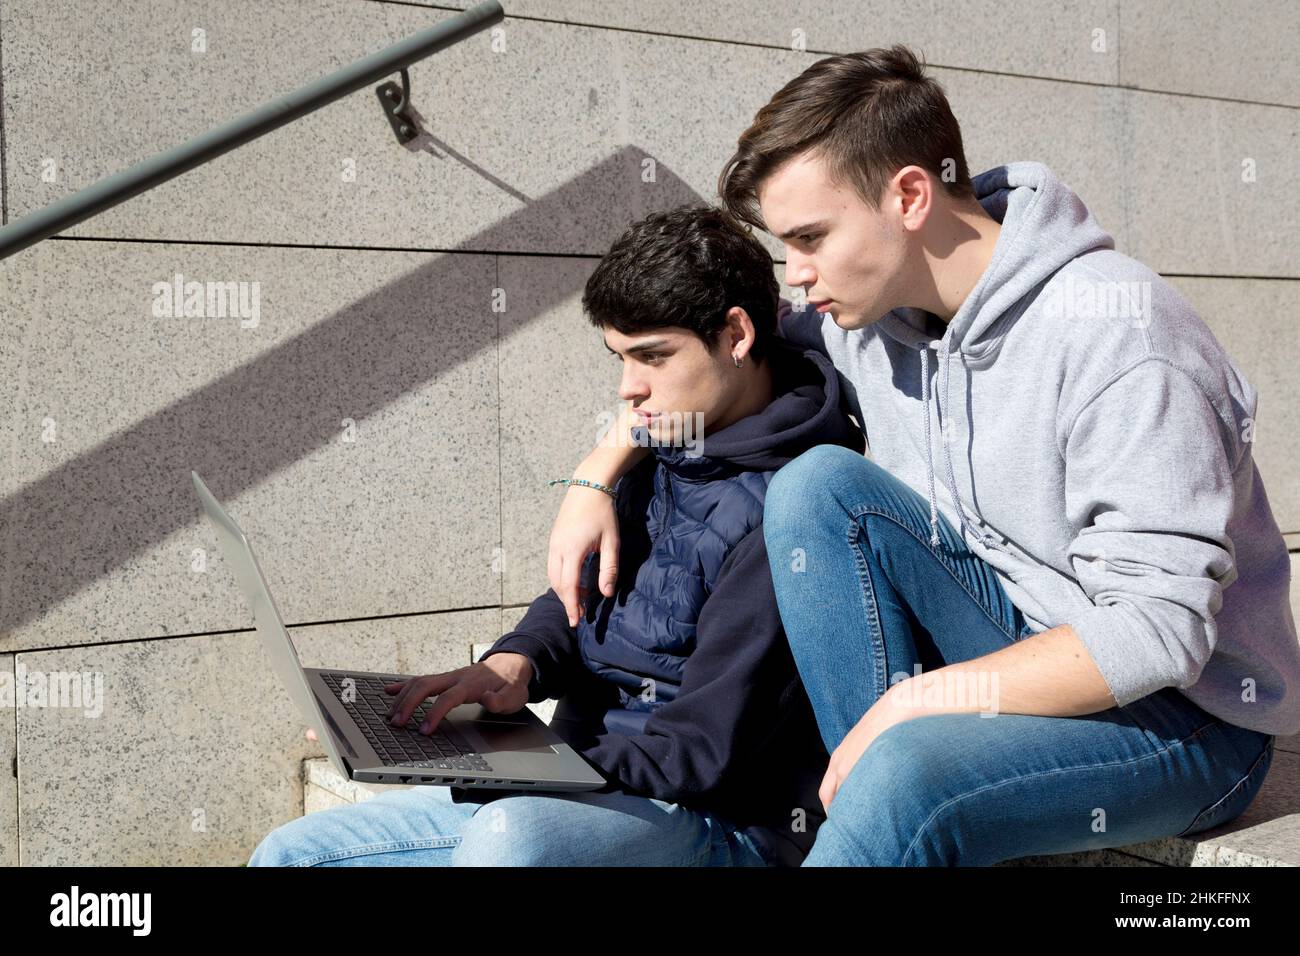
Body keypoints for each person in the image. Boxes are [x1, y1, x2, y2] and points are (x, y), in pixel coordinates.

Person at [545, 45, 1299, 865]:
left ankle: (885, 801)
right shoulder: (868, 321)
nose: (794, 278)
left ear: (908, 195)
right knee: (818, 487)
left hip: (1183, 723)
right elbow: (701, 368)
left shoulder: (1122, 339)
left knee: (906, 766)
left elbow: (1160, 632)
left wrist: (929, 700)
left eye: (809, 238)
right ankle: (879, 810)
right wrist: (600, 470)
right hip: (1004, 642)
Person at [247, 203, 864, 866]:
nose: (630, 390)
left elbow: (698, 753)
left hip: (718, 822)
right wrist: (513, 665)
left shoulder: (795, 509)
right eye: (619, 358)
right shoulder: (664, 444)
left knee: (511, 843)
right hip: (583, 786)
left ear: (736, 335)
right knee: (295, 852)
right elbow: (582, 599)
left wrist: (503, 758)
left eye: (652, 357)